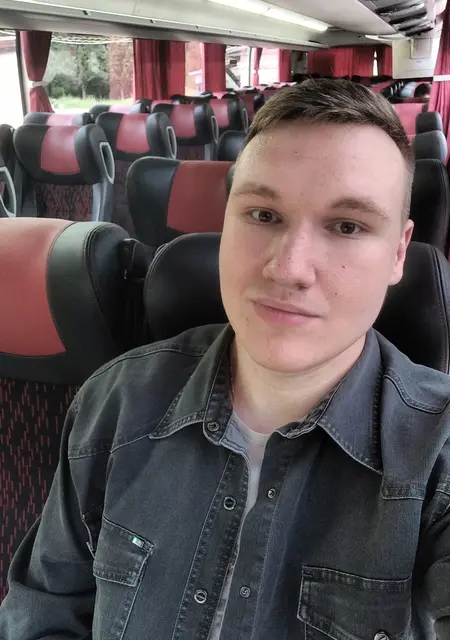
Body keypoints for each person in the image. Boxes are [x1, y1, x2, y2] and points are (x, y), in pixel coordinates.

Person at [1, 79, 450, 640]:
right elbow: (44, 616)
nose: (289, 269)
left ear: (399, 252)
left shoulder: (437, 454)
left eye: (347, 226)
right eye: (263, 215)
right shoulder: (114, 402)